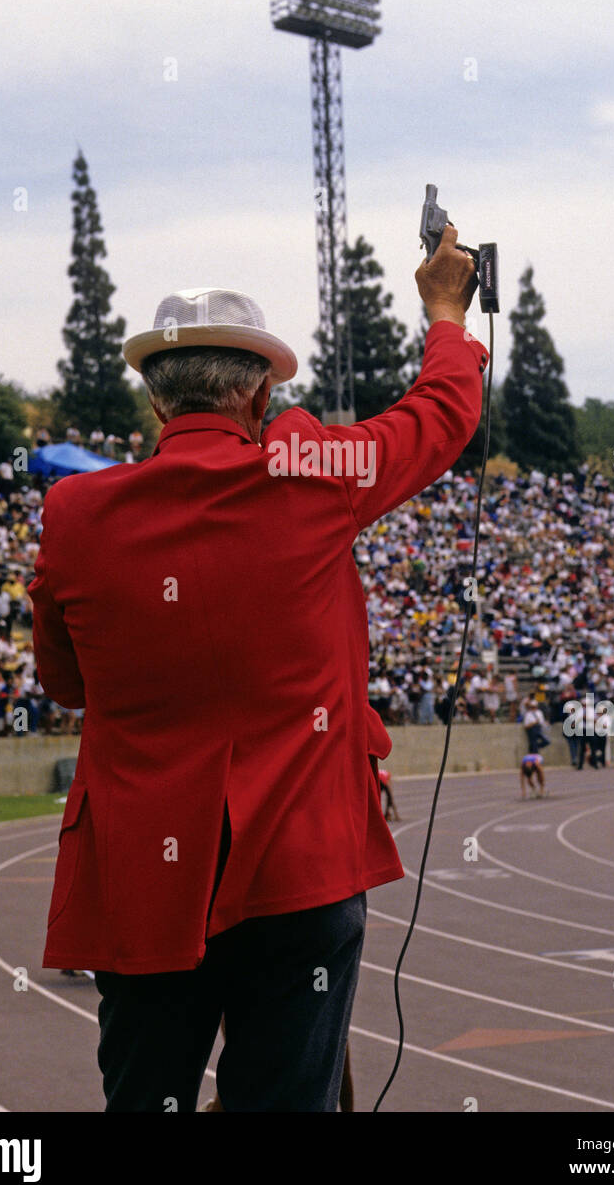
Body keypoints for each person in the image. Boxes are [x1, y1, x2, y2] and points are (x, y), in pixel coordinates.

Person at [29, 228, 487, 1113]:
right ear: (265, 390)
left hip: (142, 879)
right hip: (297, 869)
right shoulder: (310, 473)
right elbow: (442, 414)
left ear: (156, 403)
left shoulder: (74, 511)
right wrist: (443, 311)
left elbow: (64, 682)